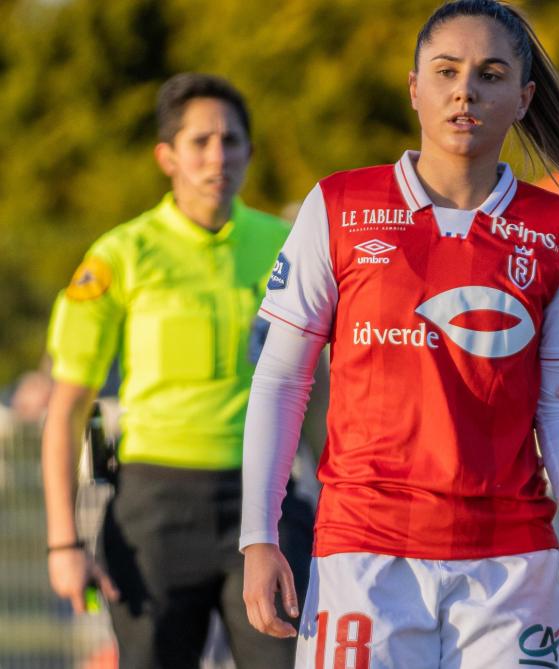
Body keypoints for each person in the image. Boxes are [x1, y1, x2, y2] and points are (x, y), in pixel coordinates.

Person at [238, 2, 559, 667]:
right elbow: (281, 378)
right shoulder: (337, 205)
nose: (464, 90)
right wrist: (258, 535)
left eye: (490, 74)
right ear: (414, 87)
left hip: (510, 563)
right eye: (445, 71)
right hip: (361, 555)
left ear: (523, 98)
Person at [41, 73, 313, 668]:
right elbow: (65, 408)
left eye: (232, 140)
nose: (219, 156)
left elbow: (337, 378)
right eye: (200, 141)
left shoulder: (290, 246)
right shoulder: (122, 254)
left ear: (250, 151)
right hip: (154, 512)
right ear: (167, 155)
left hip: (264, 502)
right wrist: (64, 543)